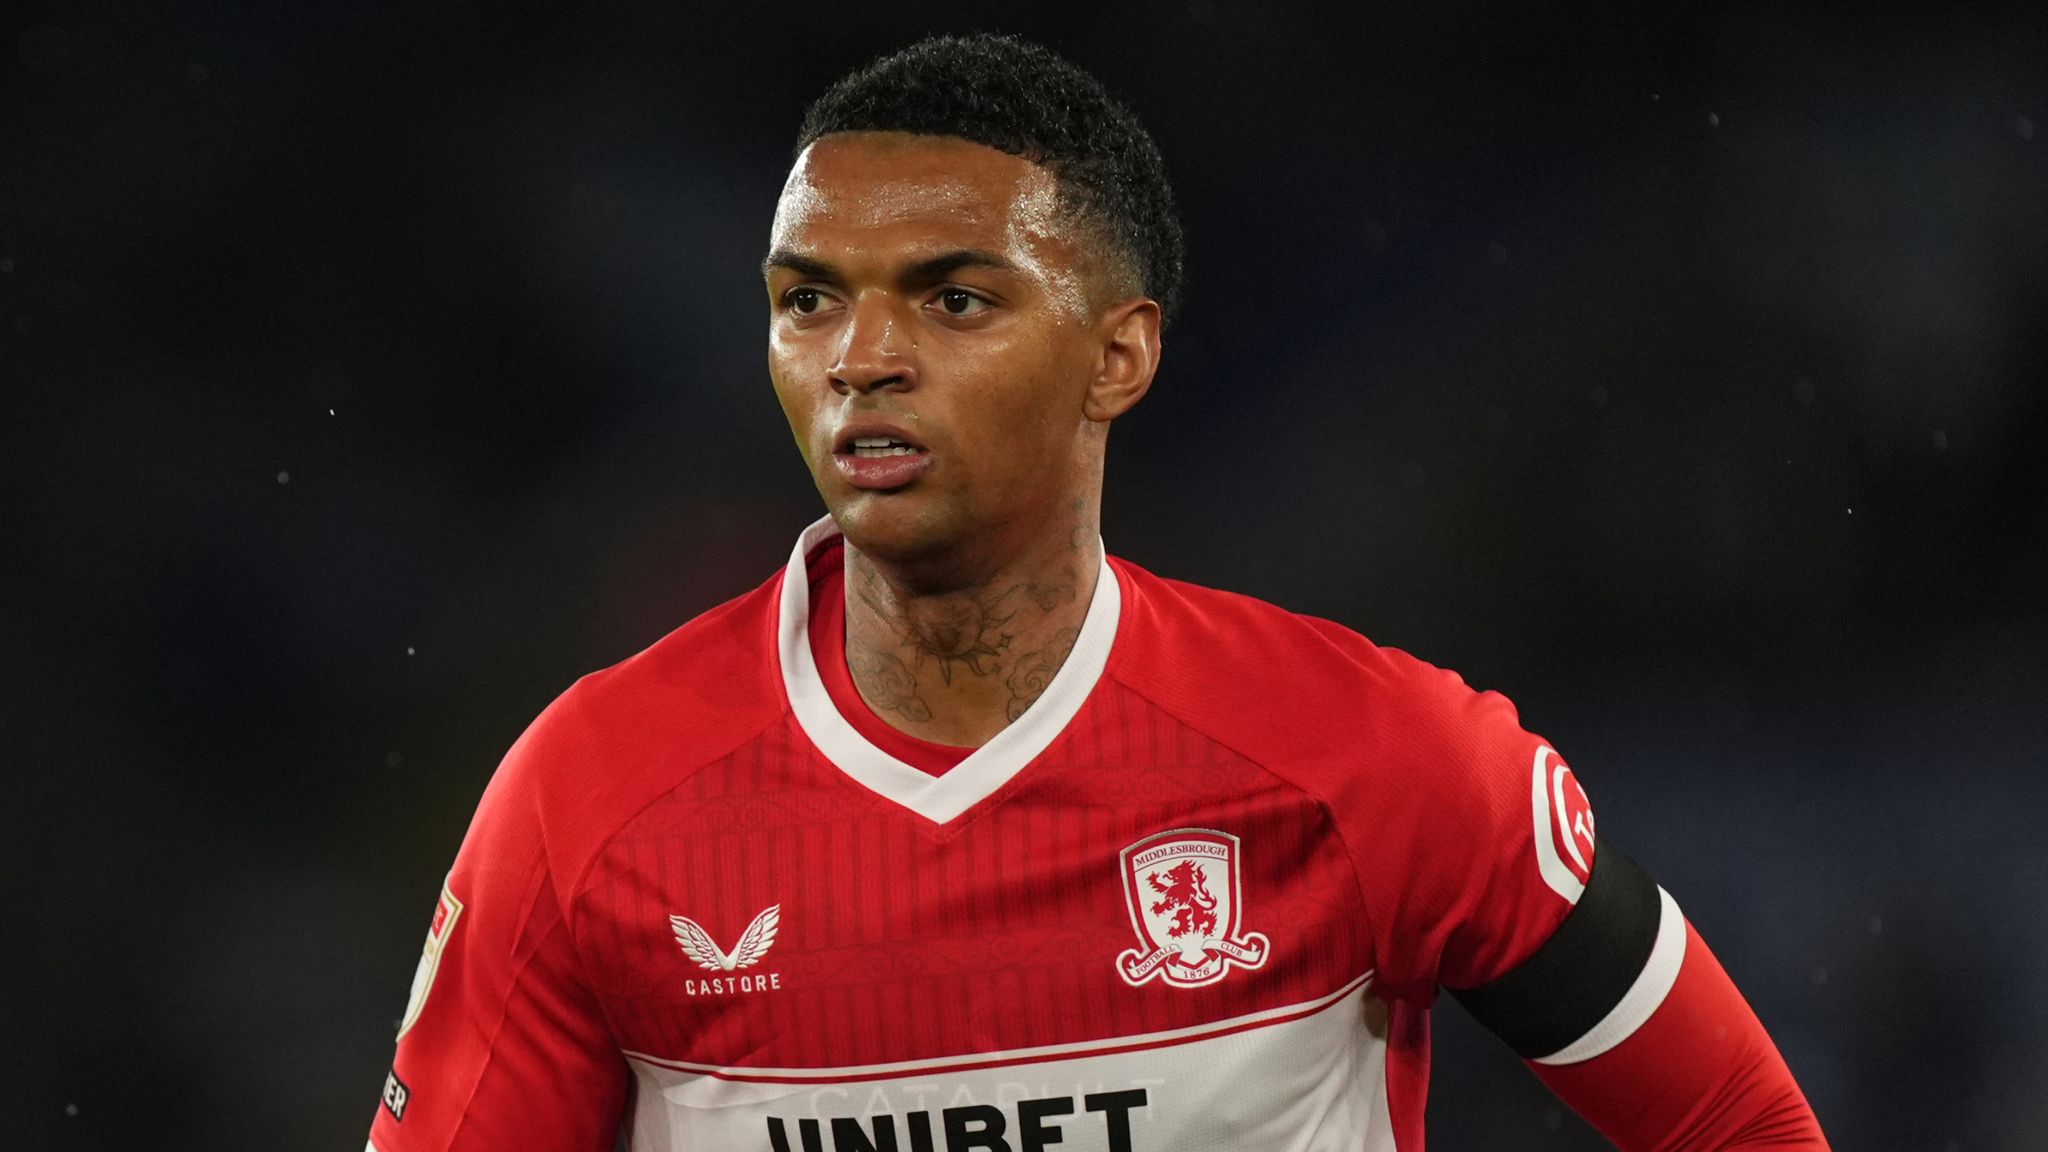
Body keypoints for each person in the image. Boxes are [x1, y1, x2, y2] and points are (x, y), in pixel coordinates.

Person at [367, 33, 1828, 1152]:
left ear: (1118, 356)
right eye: (809, 298)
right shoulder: (592, 797)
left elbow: (1741, 1129)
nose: (860, 357)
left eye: (953, 298)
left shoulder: (1375, 759)